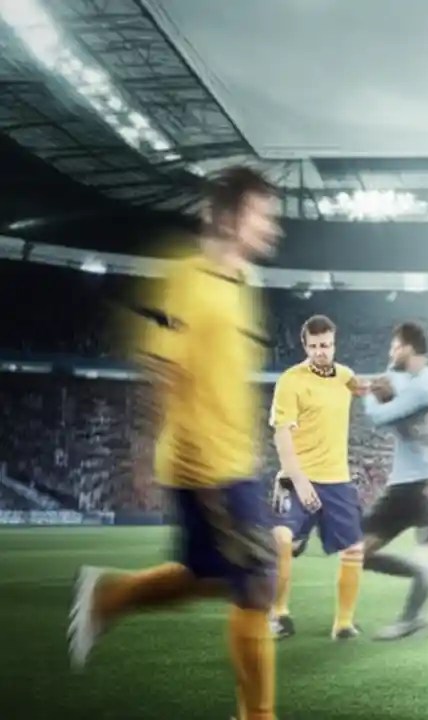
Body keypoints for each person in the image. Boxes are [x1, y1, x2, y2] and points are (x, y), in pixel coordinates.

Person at [68, 166, 282, 720]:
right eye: (263, 216)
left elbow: (228, 375)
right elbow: (160, 366)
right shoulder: (187, 280)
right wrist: (152, 447)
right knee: (258, 583)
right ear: (231, 216)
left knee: (211, 576)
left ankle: (110, 596)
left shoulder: (246, 285)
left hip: (238, 460)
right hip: (206, 464)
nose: (272, 230)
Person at [268, 315, 367, 640]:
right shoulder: (290, 381)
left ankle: (343, 624)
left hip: (337, 479)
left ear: (334, 343)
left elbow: (360, 386)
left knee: (354, 549)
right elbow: (282, 436)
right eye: (314, 347)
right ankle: (279, 616)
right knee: (281, 539)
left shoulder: (345, 376)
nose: (320, 352)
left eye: (325, 345)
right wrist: (298, 479)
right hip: (297, 476)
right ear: (305, 346)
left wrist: (381, 385)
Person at [359, 322, 428, 640]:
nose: (390, 352)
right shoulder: (407, 381)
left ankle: (411, 616)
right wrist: (382, 390)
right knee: (359, 554)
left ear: (410, 347)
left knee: (425, 550)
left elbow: (380, 417)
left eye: (394, 346)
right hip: (404, 484)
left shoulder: (427, 385)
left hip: (427, 483)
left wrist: (374, 395)